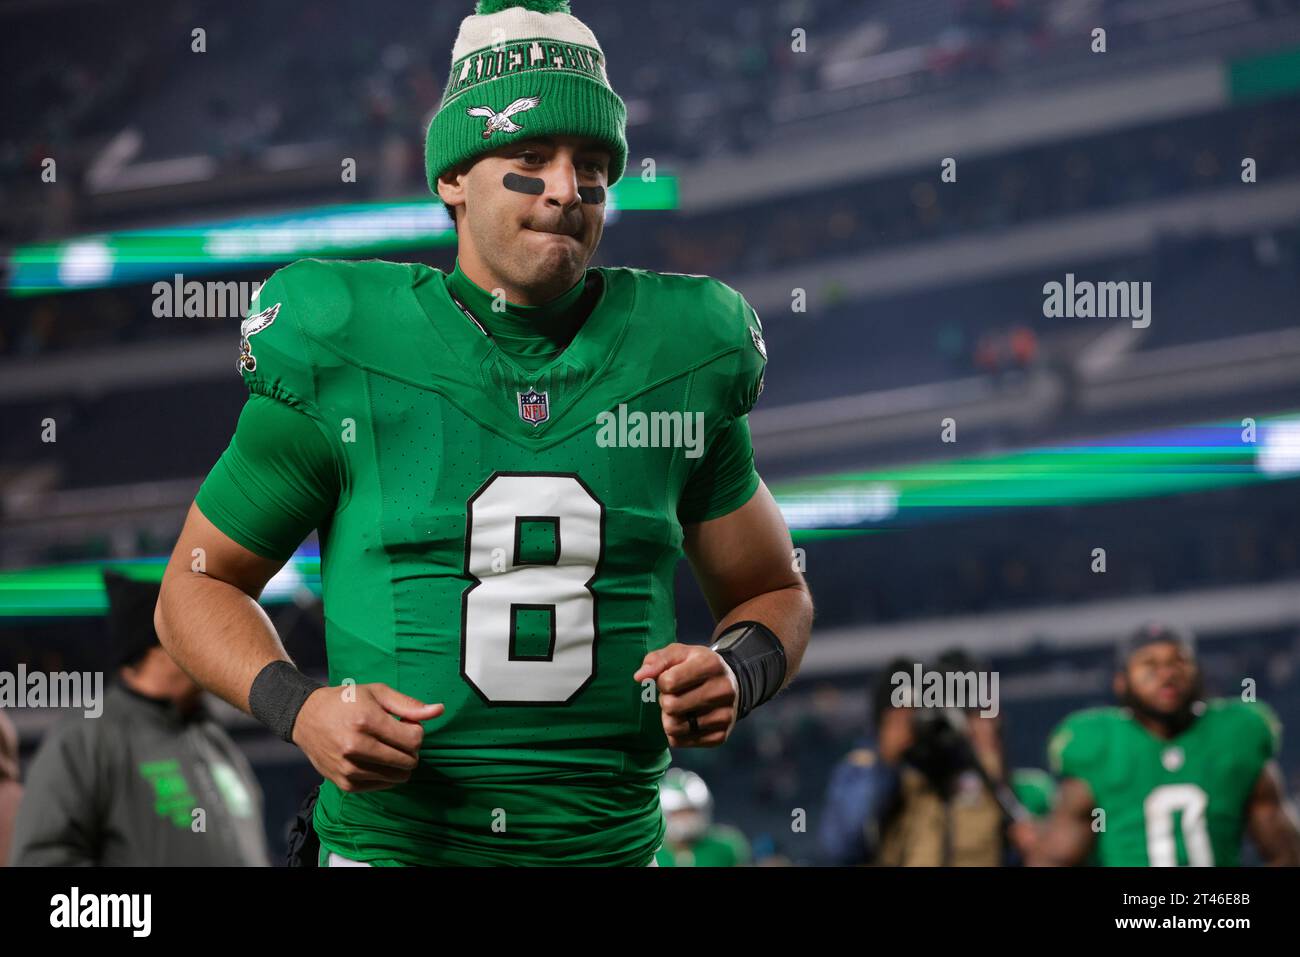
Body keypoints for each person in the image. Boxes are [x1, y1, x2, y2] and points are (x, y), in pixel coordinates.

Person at [155, 0, 813, 867]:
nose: (566, 188)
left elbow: (776, 591)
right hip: (398, 854)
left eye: (592, 166)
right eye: (530, 156)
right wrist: (299, 707)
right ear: (453, 178)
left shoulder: (680, 358)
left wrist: (739, 669)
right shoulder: (347, 345)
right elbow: (193, 589)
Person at [10, 571, 270, 866]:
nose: (212, 648)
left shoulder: (212, 738)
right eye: (196, 635)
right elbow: (41, 860)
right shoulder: (86, 738)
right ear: (157, 648)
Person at [1033, 622, 1300, 866]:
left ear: (1198, 672)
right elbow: (1054, 859)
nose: (1166, 674)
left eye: (1178, 662)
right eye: (1149, 665)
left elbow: (1286, 853)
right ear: (1121, 682)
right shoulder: (1099, 745)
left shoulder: (1236, 736)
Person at [819, 651, 1045, 866]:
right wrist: (887, 762)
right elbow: (844, 847)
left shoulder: (980, 767)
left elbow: (1016, 845)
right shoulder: (868, 769)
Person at [654, 768, 750, 866]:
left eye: (690, 811)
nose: (685, 820)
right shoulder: (650, 852)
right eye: (678, 813)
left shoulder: (726, 847)